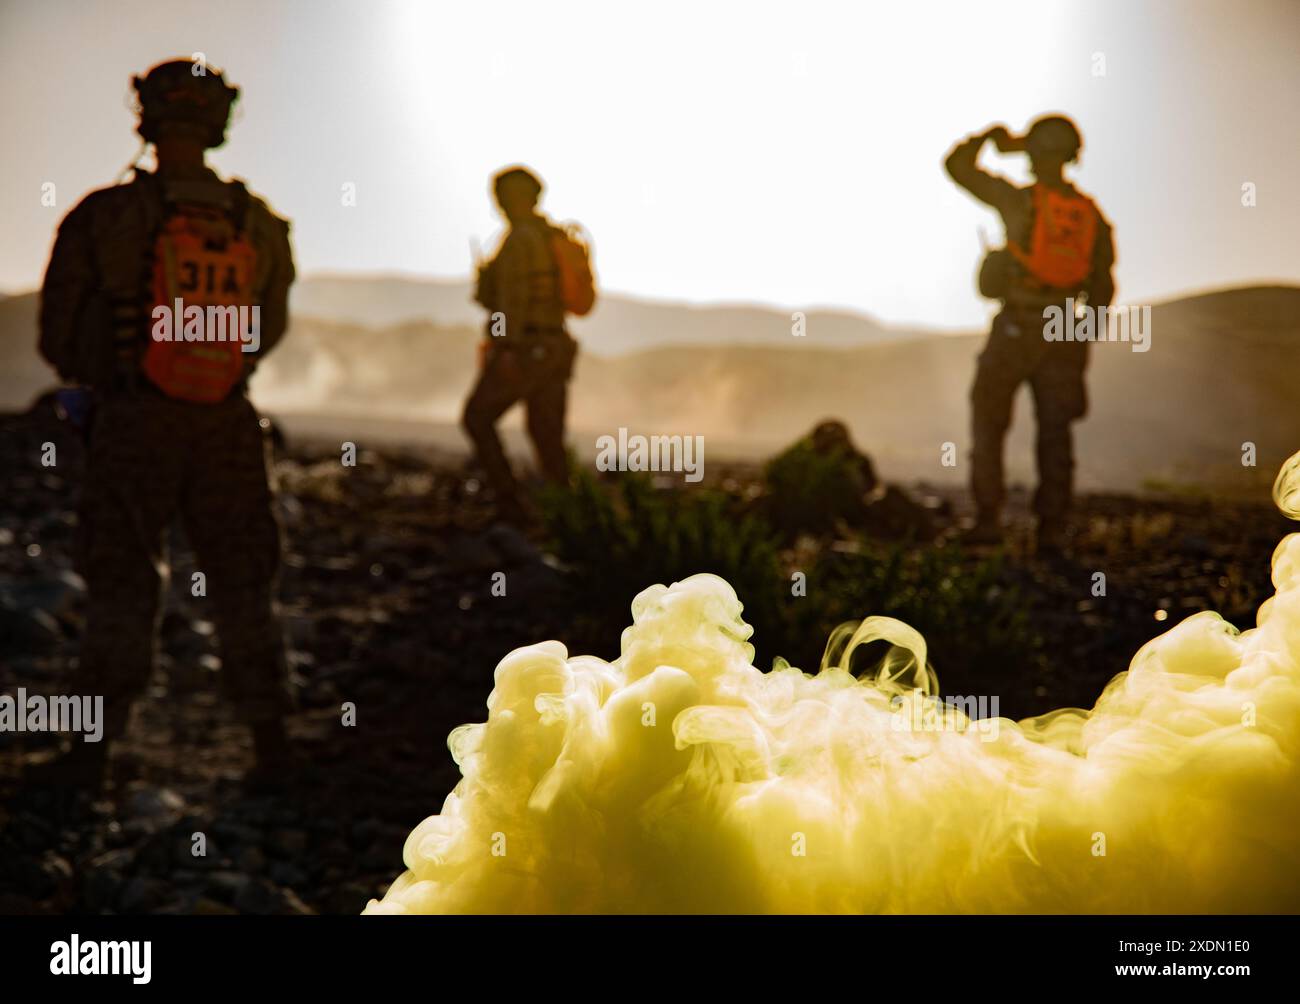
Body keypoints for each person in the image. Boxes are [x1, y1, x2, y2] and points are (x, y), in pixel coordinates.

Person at [33, 58, 297, 792]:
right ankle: (271, 747)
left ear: (146, 118)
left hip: (133, 422)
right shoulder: (263, 225)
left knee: (121, 581)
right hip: (227, 424)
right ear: (219, 123)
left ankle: (93, 753)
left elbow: (59, 339)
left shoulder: (101, 217)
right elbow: (266, 330)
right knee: (244, 581)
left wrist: (125, 375)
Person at [945, 114, 1116, 554]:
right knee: (1055, 433)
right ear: (1071, 156)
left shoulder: (1018, 201)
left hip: (1018, 324)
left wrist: (987, 137)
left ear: (1034, 154)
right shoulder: (1092, 218)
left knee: (989, 418)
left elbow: (957, 166)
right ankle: (1052, 533)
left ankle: (987, 523)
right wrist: (1081, 334)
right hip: (1064, 330)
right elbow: (1103, 285)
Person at [462, 165, 595, 522]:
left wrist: (506, 349)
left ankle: (511, 504)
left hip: (526, 348)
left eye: (502, 195)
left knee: (477, 417)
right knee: (546, 435)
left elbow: (513, 303)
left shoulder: (519, 239)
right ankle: (571, 519)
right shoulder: (549, 236)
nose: (498, 203)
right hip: (555, 348)